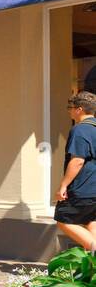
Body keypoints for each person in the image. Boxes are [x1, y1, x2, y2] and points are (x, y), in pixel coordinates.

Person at [56, 91, 96, 252]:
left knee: (64, 219)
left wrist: (63, 186)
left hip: (82, 188)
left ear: (79, 109)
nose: (69, 111)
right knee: (91, 221)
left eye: (70, 107)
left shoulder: (80, 130)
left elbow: (78, 160)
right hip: (94, 189)